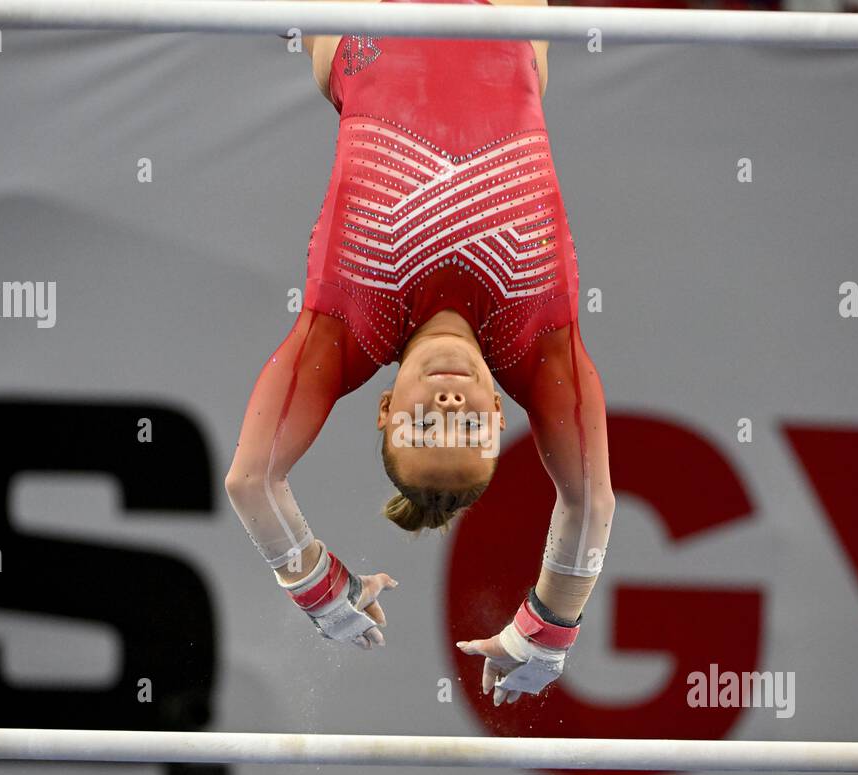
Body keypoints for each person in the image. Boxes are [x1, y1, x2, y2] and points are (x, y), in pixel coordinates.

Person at [226, 0, 614, 705]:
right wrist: (547, 628)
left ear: (384, 408)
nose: (446, 404)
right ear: (498, 412)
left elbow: (250, 482)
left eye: (425, 425)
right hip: (503, 17)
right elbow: (589, 503)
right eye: (467, 426)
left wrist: (317, 586)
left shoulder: (342, 336)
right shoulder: (541, 350)